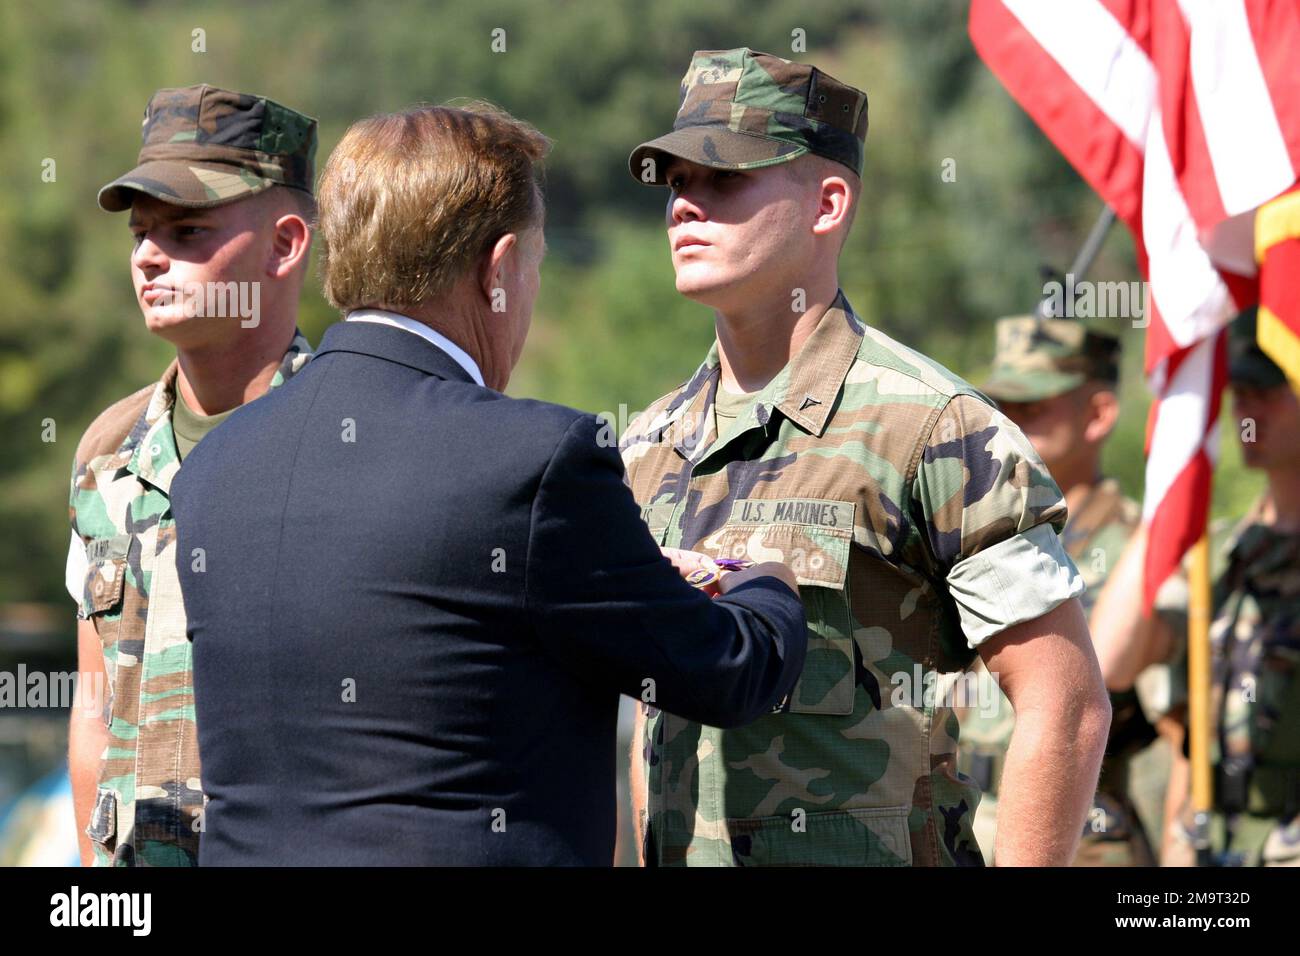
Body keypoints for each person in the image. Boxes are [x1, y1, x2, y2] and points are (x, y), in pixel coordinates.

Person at [170, 102, 809, 867]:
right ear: (499, 268)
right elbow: (722, 673)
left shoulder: (212, 467)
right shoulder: (535, 461)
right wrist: (766, 585)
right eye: (534, 268)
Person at [621, 47, 1112, 867]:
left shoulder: (934, 429)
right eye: (675, 183)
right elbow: (647, 719)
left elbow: (1064, 702)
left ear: (828, 203)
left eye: (725, 179)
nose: (685, 206)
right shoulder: (647, 447)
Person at [66, 84, 317, 866]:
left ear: (284, 245)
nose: (147, 255)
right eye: (141, 233)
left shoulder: (348, 436)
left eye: (188, 230)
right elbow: (95, 704)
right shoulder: (107, 453)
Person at [1092, 308, 1300, 867]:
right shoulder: (1223, 557)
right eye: (1237, 391)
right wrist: (1169, 493)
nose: (1243, 410)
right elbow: (1110, 661)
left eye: (1267, 390)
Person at [957, 315, 1160, 865]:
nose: (1010, 424)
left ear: (1097, 415)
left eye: (1034, 408)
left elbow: (1183, 736)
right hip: (969, 829)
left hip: (1081, 846)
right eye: (1003, 405)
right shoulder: (974, 532)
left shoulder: (1142, 548)